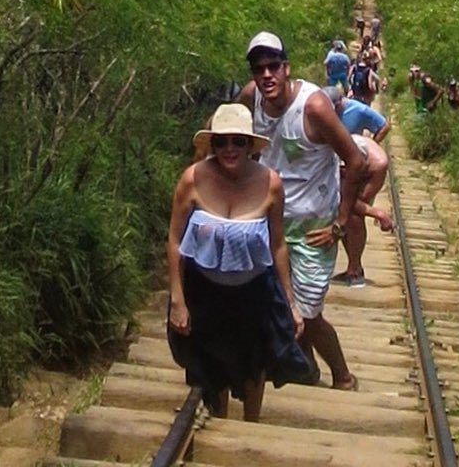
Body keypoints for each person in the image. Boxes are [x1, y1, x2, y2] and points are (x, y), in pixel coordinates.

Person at [166, 102, 310, 421]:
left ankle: (251, 426)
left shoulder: (270, 183)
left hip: (253, 290)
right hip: (204, 290)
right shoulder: (192, 179)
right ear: (213, 144)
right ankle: (219, 422)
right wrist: (177, 299)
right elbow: (175, 240)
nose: (229, 149)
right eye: (221, 141)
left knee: (253, 364)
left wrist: (291, 301)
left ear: (249, 145)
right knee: (211, 365)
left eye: (238, 141)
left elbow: (278, 244)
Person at [242, 29, 365, 391]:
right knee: (280, 307)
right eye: (258, 68)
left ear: (286, 68)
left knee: (307, 316)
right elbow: (229, 139)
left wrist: (341, 224)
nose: (267, 75)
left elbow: (355, 161)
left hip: (314, 229)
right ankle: (306, 369)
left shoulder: (313, 107)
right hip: (269, 226)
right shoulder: (251, 100)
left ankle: (342, 375)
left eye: (273, 67)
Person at [335, 128, 393, 288]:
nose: (345, 172)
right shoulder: (341, 148)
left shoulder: (378, 165)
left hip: (367, 176)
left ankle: (355, 268)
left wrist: (376, 213)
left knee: (354, 216)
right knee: (345, 212)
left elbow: (357, 202)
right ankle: (353, 267)